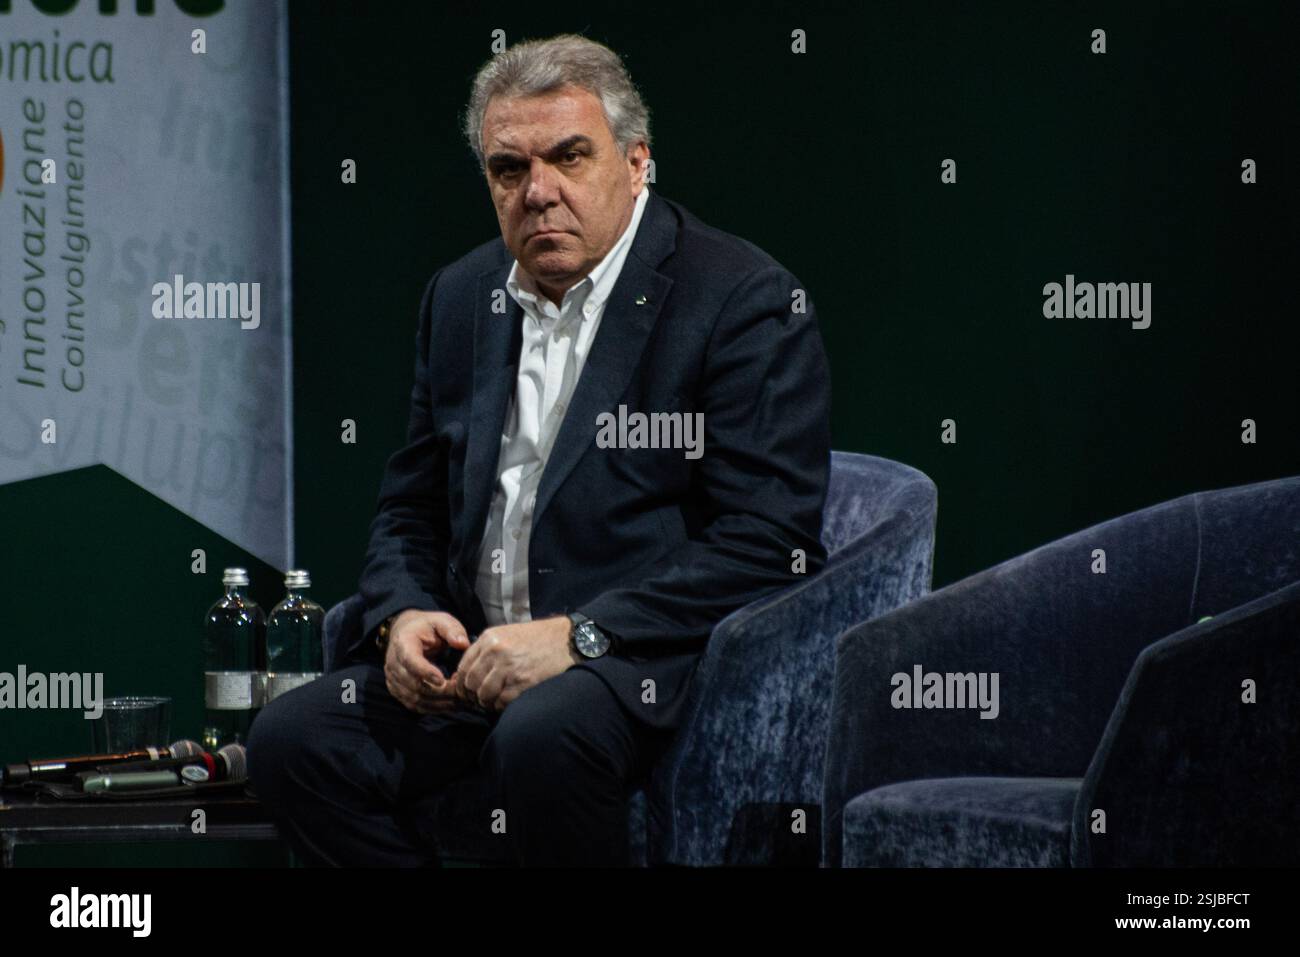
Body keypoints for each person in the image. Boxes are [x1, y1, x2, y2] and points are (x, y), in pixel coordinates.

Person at [247, 33, 832, 867]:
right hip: (472, 664)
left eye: (569, 157)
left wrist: (578, 636)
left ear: (637, 165)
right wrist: (402, 613)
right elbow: (409, 503)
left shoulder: (740, 300)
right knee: (289, 741)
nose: (539, 193)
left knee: (540, 738)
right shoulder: (461, 297)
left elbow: (772, 540)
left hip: (634, 666)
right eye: (509, 169)